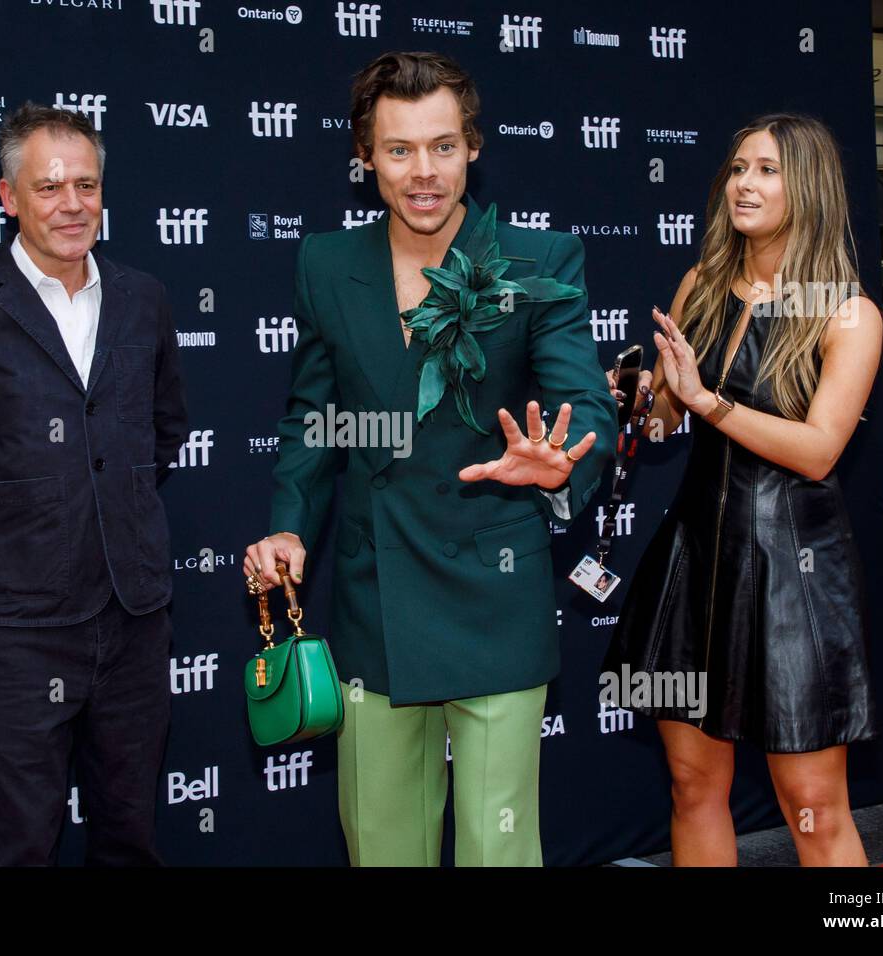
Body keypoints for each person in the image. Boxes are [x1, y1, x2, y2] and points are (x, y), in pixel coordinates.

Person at [244, 52, 617, 867]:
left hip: (495, 586)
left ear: (474, 147)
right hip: (375, 594)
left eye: (443, 147)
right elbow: (315, 416)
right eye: (399, 150)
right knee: (382, 847)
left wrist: (561, 463)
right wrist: (287, 529)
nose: (423, 174)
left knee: (499, 850)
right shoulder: (324, 263)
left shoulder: (539, 259)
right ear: (366, 156)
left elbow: (586, 402)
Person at [0, 104, 187, 866]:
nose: (73, 204)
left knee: (131, 839)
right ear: (8, 197)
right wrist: (4, 541)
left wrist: (108, 515)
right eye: (49, 187)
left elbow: (164, 431)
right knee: (18, 847)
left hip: (135, 621)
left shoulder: (143, 299)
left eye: (86, 185)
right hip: (19, 634)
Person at [603, 113, 882, 866]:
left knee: (815, 810)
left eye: (767, 170)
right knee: (694, 786)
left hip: (795, 577)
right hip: (692, 564)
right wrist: (641, 399)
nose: (744, 185)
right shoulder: (700, 282)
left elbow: (820, 452)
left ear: (809, 186)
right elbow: (665, 419)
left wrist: (706, 403)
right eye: (737, 169)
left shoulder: (848, 312)